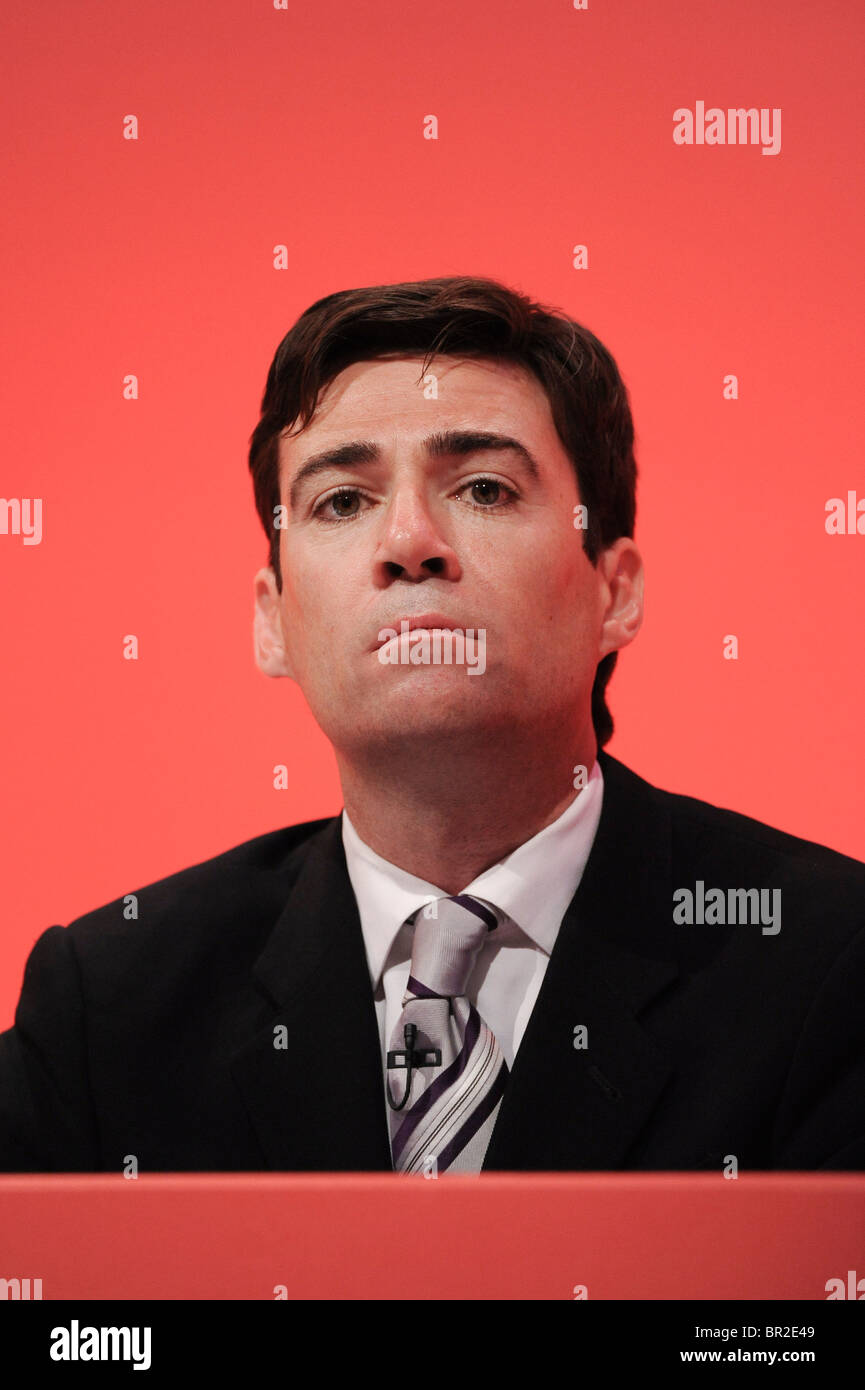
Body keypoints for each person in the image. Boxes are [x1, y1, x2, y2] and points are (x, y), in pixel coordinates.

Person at [1, 275, 863, 1175]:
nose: (409, 539)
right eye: (341, 501)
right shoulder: (107, 1004)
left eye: (484, 489)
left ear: (614, 590)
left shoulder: (830, 964)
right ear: (272, 620)